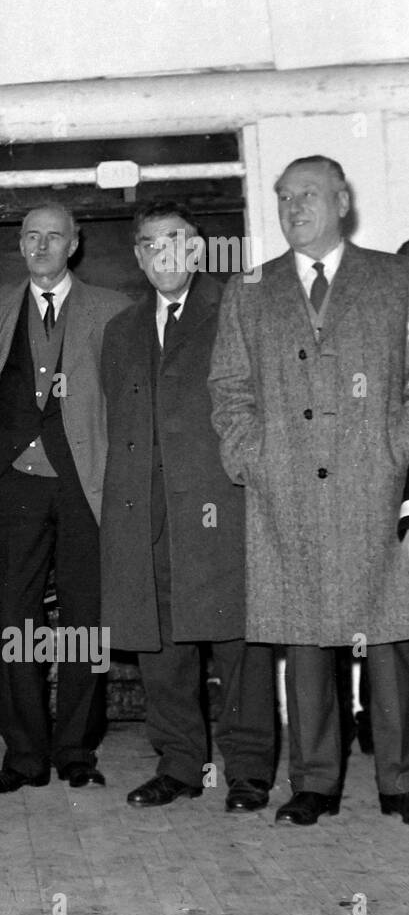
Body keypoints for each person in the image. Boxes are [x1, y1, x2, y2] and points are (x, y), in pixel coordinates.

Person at [209, 156, 409, 826]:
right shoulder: (249, 289)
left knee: (386, 635)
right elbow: (228, 387)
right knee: (303, 635)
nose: (293, 209)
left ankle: (398, 778)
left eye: (308, 196)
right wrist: (248, 457)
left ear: (342, 201)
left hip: (373, 479)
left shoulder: (393, 278)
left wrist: (397, 452)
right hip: (284, 485)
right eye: (283, 198)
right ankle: (313, 781)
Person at [99, 202, 275, 811]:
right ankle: (178, 764)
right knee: (162, 649)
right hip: (148, 516)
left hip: (222, 510)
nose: (160, 255)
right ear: (138, 256)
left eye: (172, 241)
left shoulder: (235, 308)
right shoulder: (120, 331)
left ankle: (249, 770)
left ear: (198, 249)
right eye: (147, 245)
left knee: (239, 647)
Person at [0, 203, 128, 792]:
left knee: (85, 621)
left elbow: (129, 407)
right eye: (31, 237)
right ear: (21, 245)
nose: (42, 247)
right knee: (14, 623)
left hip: (86, 490)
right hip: (12, 488)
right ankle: (24, 756)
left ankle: (77, 750)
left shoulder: (112, 311)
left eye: (54, 237)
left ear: (74, 245)